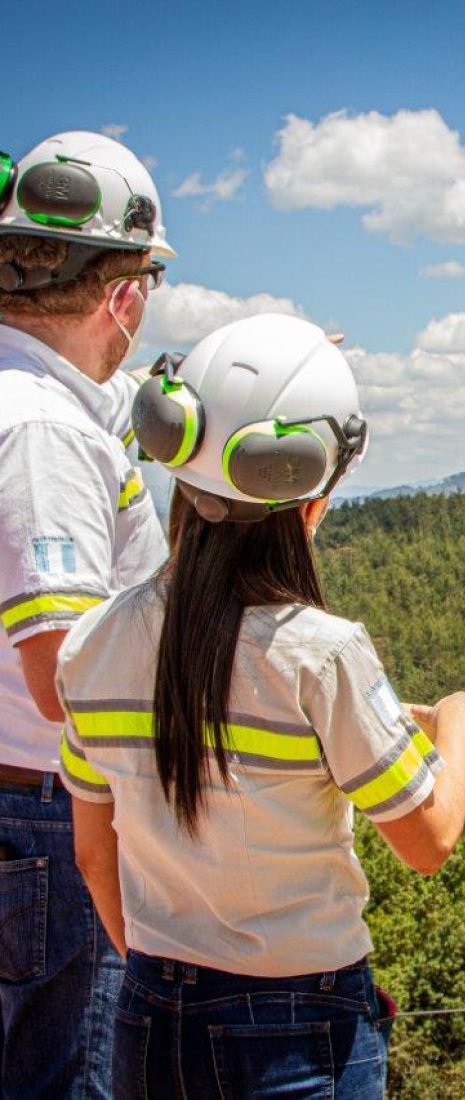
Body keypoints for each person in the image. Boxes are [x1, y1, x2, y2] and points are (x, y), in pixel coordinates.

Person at [55, 313, 465, 1099]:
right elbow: (428, 839)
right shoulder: (319, 656)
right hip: (298, 1027)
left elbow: (96, 856)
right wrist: (457, 726)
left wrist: (163, 982)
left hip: (150, 1011)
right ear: (312, 502)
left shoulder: (93, 645)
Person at [0, 130, 173, 1098]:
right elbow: (64, 665)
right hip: (48, 821)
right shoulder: (41, 428)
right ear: (123, 294)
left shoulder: (35, 402)